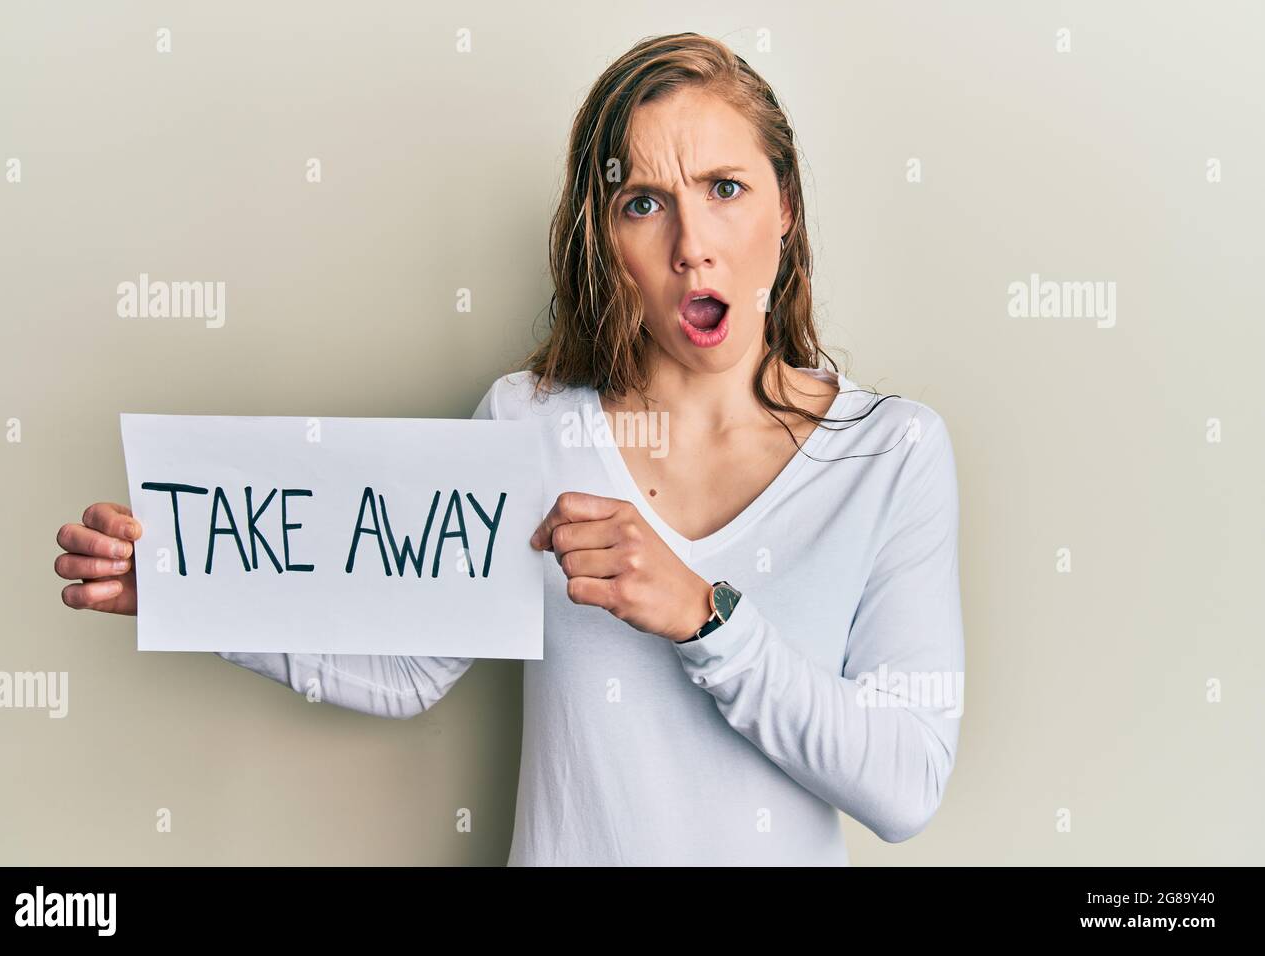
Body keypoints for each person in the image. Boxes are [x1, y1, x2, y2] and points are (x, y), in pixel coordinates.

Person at [54, 32, 964, 865]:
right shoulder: (531, 425)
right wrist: (196, 591)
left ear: (785, 209)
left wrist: (707, 618)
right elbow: (409, 672)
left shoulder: (890, 454)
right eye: (644, 203)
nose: (692, 246)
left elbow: (904, 784)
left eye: (726, 189)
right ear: (608, 241)